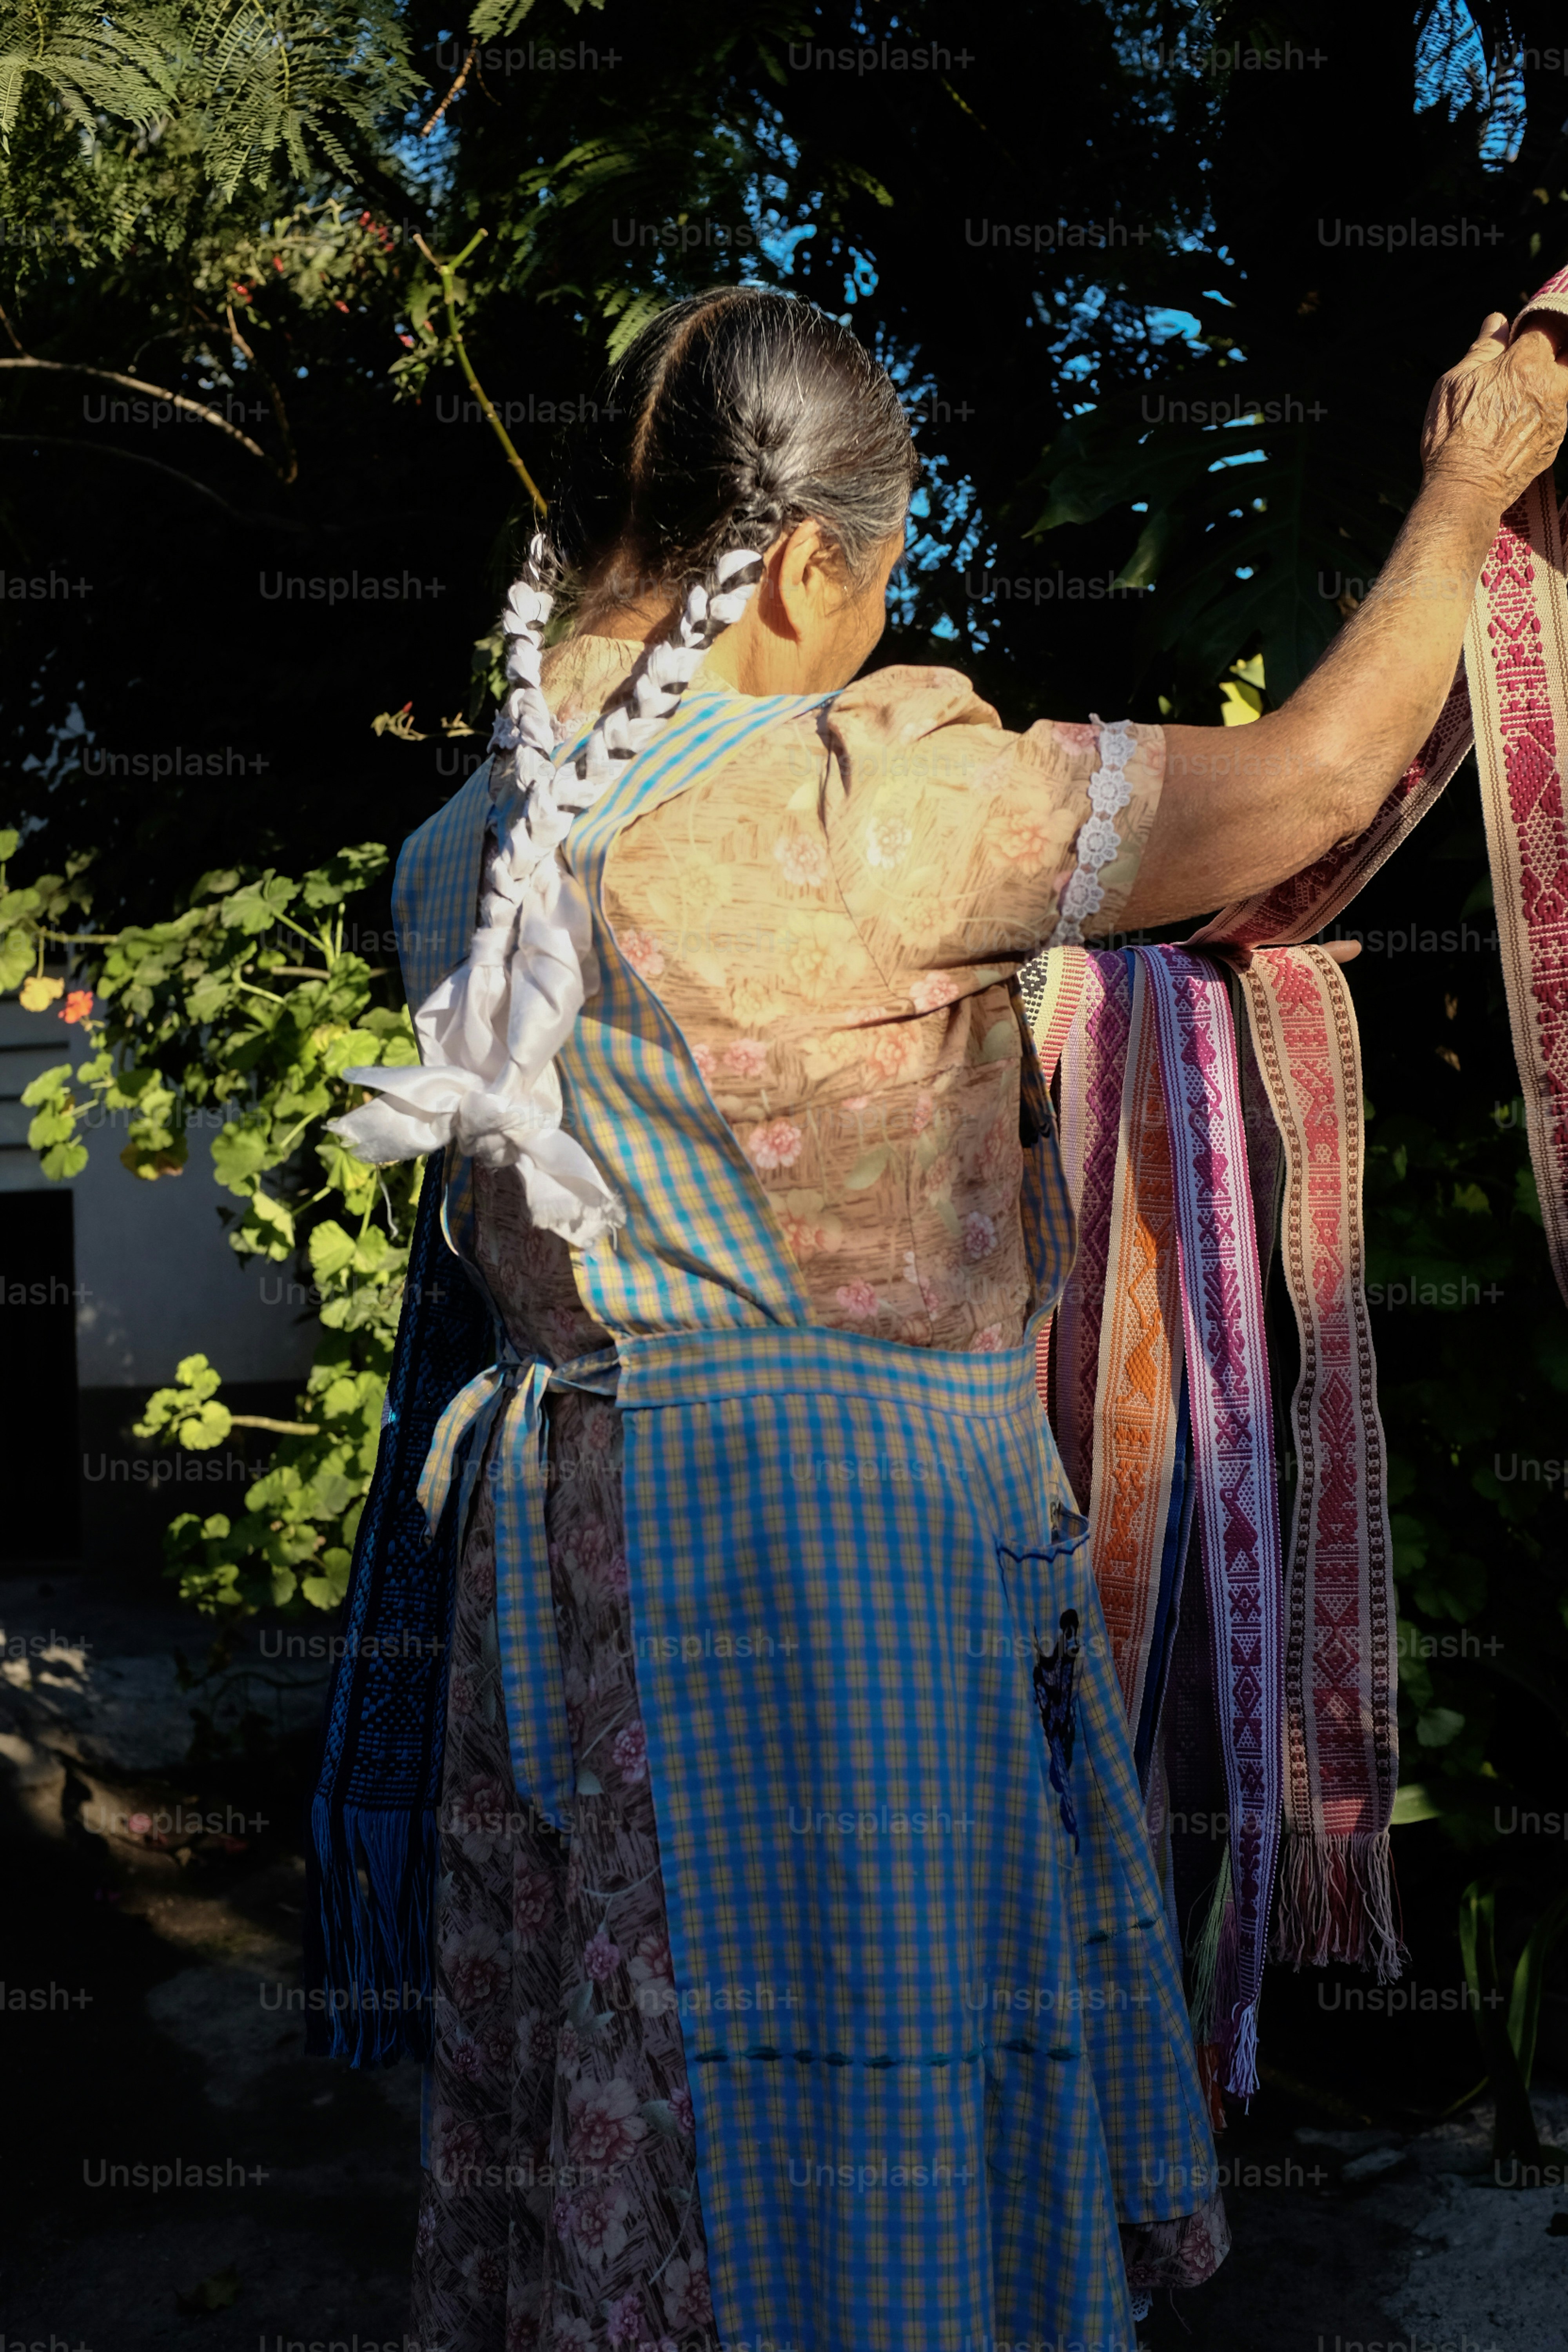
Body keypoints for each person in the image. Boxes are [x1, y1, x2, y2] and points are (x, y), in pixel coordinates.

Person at [320, 287, 1568, 2352]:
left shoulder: (463, 848)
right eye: (874, 587)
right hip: (828, 1608)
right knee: (868, 2156)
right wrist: (1466, 496)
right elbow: (1320, 781)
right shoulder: (862, 804)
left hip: (569, 1590)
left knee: (642, 2146)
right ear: (808, 560)